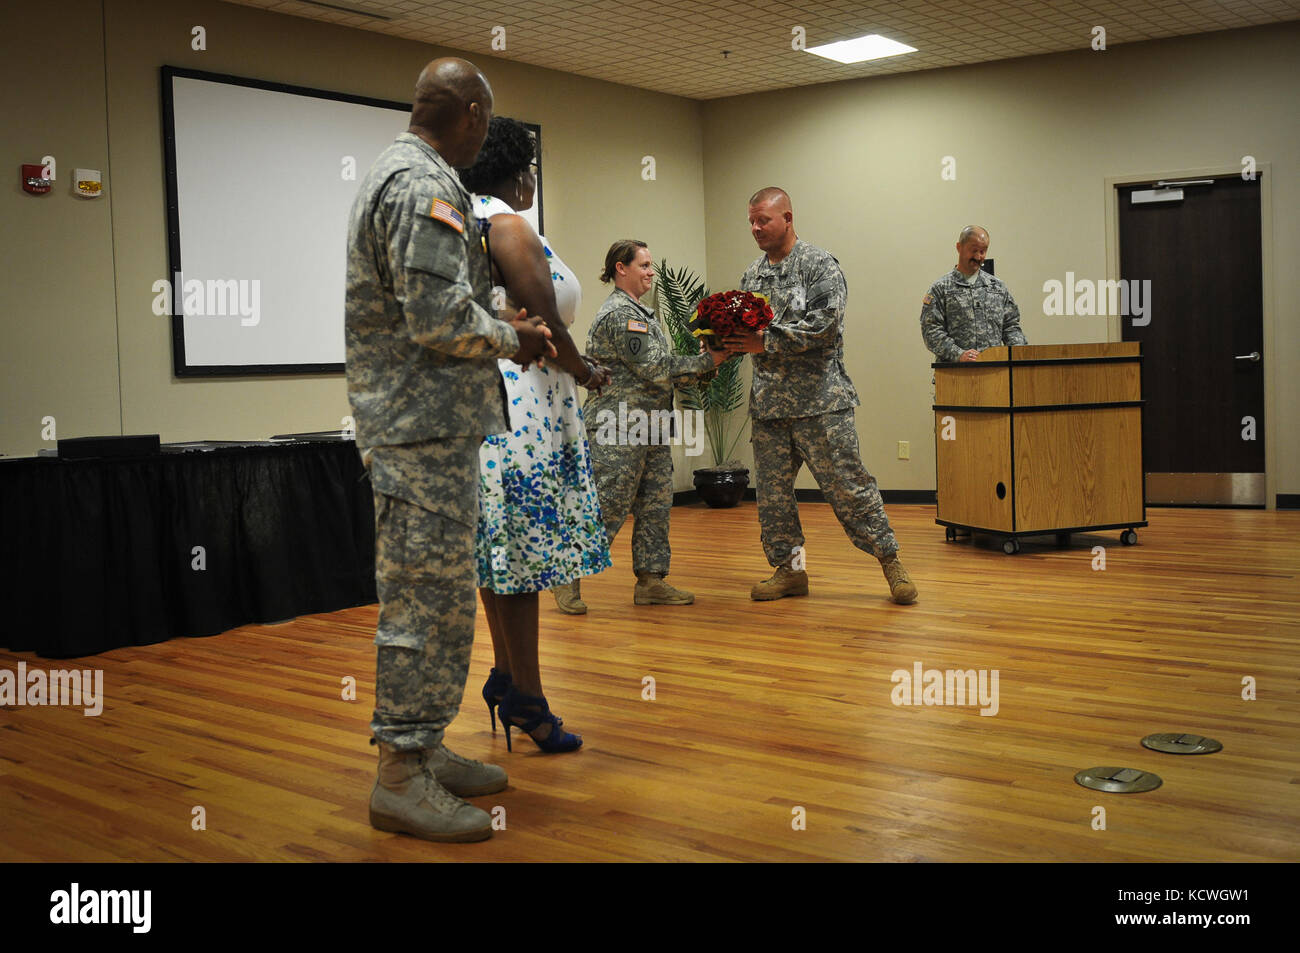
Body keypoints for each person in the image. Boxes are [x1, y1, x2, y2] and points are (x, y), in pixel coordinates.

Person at [345, 58, 554, 843]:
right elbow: (438, 319)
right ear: (468, 112)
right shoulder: (420, 186)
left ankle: (424, 745)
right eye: (486, 121)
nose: (486, 135)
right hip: (416, 430)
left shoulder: (416, 175)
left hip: (431, 427)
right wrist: (516, 336)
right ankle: (398, 775)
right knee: (419, 606)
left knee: (441, 602)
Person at [458, 116, 612, 752]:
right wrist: (589, 371)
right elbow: (544, 326)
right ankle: (529, 699)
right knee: (519, 560)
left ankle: (506, 676)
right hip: (522, 409)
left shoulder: (464, 216)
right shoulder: (508, 224)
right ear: (517, 173)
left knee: (500, 557)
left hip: (494, 406)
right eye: (530, 170)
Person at [722, 187, 918, 605]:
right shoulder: (752, 275)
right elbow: (744, 332)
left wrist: (764, 342)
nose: (756, 228)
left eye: (764, 221)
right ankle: (790, 572)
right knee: (774, 499)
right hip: (770, 406)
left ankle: (891, 563)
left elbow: (825, 325)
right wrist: (724, 344)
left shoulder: (819, 265)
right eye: (751, 221)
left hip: (820, 404)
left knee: (849, 488)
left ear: (787, 218)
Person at [580, 240, 728, 607]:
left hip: (651, 427)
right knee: (608, 506)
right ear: (620, 268)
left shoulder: (641, 314)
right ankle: (568, 578)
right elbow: (655, 368)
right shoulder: (621, 316)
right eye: (644, 265)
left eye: (651, 266)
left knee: (655, 505)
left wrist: (702, 359)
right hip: (619, 429)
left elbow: (661, 365)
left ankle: (651, 580)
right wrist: (710, 362)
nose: (650, 272)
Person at [920, 226, 1027, 363]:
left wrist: (1019, 356)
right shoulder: (941, 288)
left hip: (995, 374)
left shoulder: (998, 288)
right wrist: (959, 354)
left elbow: (1011, 327)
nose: (978, 257)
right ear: (959, 247)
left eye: (983, 251)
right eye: (974, 250)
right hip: (954, 376)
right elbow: (931, 332)